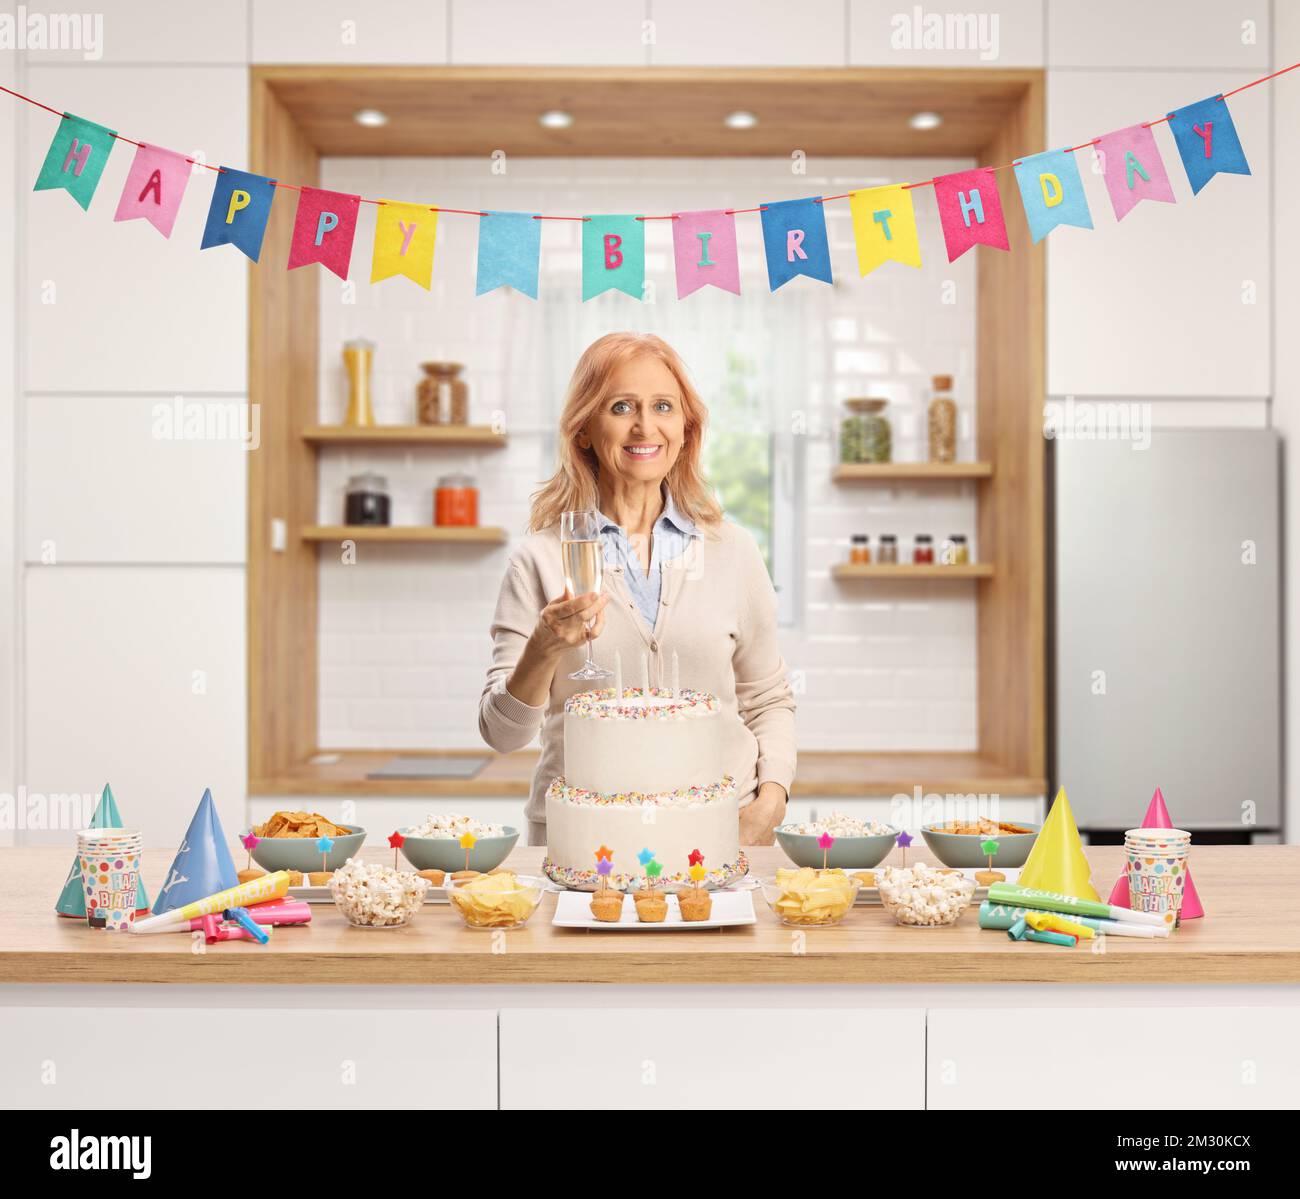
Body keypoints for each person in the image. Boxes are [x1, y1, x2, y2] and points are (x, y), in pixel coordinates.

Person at [478, 331, 796, 847]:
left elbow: (767, 699)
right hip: (584, 844)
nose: (644, 426)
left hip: (719, 834)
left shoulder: (733, 551)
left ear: (685, 427)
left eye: (663, 406)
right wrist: (545, 646)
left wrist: (771, 801)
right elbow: (503, 734)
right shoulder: (537, 558)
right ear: (583, 430)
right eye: (621, 406)